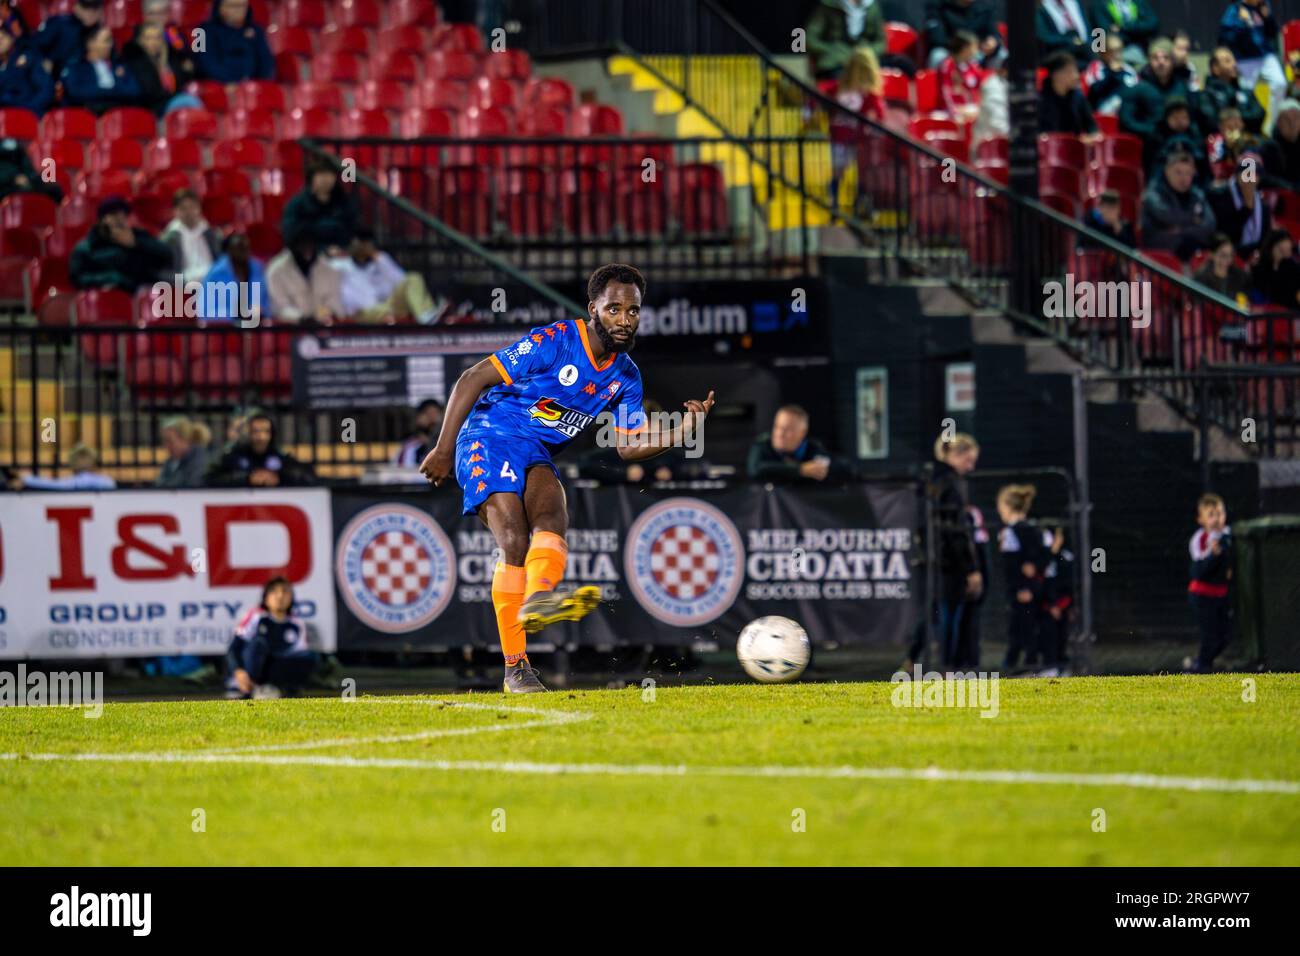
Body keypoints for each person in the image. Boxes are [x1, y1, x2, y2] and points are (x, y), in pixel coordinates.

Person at [417, 263, 716, 693]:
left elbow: (628, 446)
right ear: (593, 307)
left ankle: (538, 597)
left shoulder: (626, 376)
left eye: (633, 311)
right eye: (614, 309)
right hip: (488, 434)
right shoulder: (555, 341)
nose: (624, 319)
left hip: (535, 452)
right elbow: (473, 377)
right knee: (515, 541)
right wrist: (443, 449)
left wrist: (683, 432)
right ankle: (516, 668)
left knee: (553, 516)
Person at [913, 433, 984, 671]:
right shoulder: (950, 482)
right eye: (968, 460)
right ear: (955, 454)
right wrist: (971, 569)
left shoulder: (927, 480)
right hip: (949, 563)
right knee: (949, 615)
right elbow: (957, 531)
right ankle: (946, 666)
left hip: (929, 558)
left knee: (932, 613)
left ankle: (914, 660)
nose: (971, 467)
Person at [226, 577, 316, 699]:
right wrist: (238, 671)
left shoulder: (297, 624)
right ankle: (248, 688)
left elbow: (298, 656)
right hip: (250, 670)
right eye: (274, 591)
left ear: (291, 597)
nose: (280, 596)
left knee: (310, 657)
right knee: (259, 644)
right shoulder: (256, 617)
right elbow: (235, 648)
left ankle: (279, 689)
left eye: (285, 591)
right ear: (266, 598)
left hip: (275, 670)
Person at [335, 228, 445, 324]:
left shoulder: (381, 259)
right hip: (361, 311)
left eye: (367, 242)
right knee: (372, 312)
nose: (363, 246)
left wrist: (378, 258)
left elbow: (401, 281)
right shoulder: (340, 264)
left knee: (413, 277)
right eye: (360, 242)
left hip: (387, 306)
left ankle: (426, 316)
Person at [996, 483, 1050, 673]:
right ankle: (1020, 664)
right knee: (1025, 627)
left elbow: (1012, 565)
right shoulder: (1037, 530)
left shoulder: (1010, 532)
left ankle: (1022, 665)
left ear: (1007, 506)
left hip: (1022, 589)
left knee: (1021, 628)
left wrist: (1022, 587)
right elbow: (1044, 556)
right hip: (1036, 587)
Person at [70, 195, 174, 292]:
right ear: (102, 220)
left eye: (124, 215)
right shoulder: (88, 246)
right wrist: (111, 278)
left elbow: (166, 254)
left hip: (145, 292)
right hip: (111, 295)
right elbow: (78, 278)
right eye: (114, 215)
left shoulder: (138, 236)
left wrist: (135, 244)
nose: (120, 220)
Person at [828, 46, 885, 217]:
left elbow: (818, 102)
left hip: (842, 137)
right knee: (860, 173)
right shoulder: (866, 92)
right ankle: (853, 206)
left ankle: (837, 205)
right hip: (855, 138)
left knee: (841, 172)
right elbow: (880, 115)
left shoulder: (839, 87)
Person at [1184, 493, 1233, 673]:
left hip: (1221, 595)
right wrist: (1213, 554)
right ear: (1201, 519)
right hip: (1202, 596)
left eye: (1220, 513)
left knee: (1225, 636)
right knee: (1210, 636)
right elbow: (1198, 572)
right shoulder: (1199, 540)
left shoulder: (1228, 535)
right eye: (1211, 514)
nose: (1217, 518)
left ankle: (1201, 663)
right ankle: (1200, 667)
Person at [806, 0, 913, 81]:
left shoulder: (871, 7)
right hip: (838, 61)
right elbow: (810, 38)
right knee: (842, 76)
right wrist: (831, 51)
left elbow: (881, 41)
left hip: (867, 58)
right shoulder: (829, 6)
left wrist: (868, 53)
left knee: (903, 64)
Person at [1140, 149, 1218, 260]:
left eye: (1188, 173)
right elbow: (1168, 216)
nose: (1183, 178)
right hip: (1158, 257)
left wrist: (1180, 230)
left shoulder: (1197, 195)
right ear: (1167, 171)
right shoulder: (1153, 193)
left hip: (1190, 251)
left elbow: (1209, 226)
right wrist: (1194, 222)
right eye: (1178, 172)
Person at [1217, 0, 1286, 118]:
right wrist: (1242, 23)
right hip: (1245, 59)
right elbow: (1224, 37)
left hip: (1265, 56)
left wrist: (1268, 18)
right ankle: (1248, 125)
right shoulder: (1235, 9)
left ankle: (1272, 124)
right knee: (1246, 94)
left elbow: (1272, 33)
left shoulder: (1263, 6)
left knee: (1280, 83)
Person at [206, 412, 315, 487]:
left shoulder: (280, 457)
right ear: (249, 434)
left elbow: (308, 478)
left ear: (272, 434)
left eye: (265, 431)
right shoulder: (235, 456)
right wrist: (247, 479)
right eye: (256, 431)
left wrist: (279, 478)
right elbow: (211, 480)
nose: (261, 436)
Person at [746, 405, 846, 483]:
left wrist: (823, 469)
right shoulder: (762, 445)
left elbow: (842, 468)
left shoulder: (812, 448)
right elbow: (755, 470)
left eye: (788, 429)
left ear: (802, 433)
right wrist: (800, 470)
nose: (780, 434)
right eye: (777, 427)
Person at [120, 21, 201, 116]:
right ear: (140, 40)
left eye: (157, 38)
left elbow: (183, 79)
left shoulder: (170, 58)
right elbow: (150, 92)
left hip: (173, 102)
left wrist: (167, 63)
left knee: (189, 103)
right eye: (148, 38)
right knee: (189, 101)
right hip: (154, 108)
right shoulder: (136, 61)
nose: (154, 42)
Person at [59, 25, 144, 115]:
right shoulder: (76, 67)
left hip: (117, 114)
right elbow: (76, 92)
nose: (110, 45)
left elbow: (134, 90)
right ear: (90, 43)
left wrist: (102, 93)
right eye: (106, 41)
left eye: (111, 41)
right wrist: (114, 93)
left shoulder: (118, 66)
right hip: (87, 115)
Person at [281, 158, 359, 252]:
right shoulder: (297, 204)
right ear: (312, 178)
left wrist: (342, 249)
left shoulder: (344, 202)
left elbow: (352, 230)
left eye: (330, 174)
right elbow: (291, 235)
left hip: (342, 255)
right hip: (309, 255)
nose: (326, 179)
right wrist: (323, 249)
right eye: (321, 175)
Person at [266, 227, 342, 322]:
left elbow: (334, 302)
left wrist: (322, 314)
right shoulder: (276, 270)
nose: (307, 249)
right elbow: (280, 308)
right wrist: (303, 319)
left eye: (311, 245)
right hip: (291, 329)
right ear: (293, 247)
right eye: (303, 245)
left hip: (323, 327)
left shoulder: (329, 269)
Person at [1207, 150, 1271, 258]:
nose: (1250, 178)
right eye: (1246, 173)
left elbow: (1265, 238)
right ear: (1237, 174)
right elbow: (1223, 234)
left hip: (1255, 257)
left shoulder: (1263, 204)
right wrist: (1246, 208)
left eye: (1254, 174)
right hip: (1228, 256)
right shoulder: (1220, 195)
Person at [199, 232, 271, 323]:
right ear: (229, 251)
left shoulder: (257, 268)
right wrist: (235, 314)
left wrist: (262, 311)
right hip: (225, 330)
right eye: (240, 248)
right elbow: (204, 312)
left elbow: (267, 304)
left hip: (256, 327)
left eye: (246, 248)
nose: (244, 252)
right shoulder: (215, 274)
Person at [195, 0, 273, 83]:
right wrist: (228, 82)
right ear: (220, 7)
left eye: (242, 6)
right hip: (217, 84)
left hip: (250, 85)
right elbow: (204, 64)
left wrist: (258, 84)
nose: (239, 10)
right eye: (233, 6)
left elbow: (266, 62)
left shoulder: (256, 30)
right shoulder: (201, 31)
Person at [1199, 46, 1267, 135]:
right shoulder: (1207, 95)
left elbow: (1259, 114)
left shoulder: (1246, 92)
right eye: (1228, 61)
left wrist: (1237, 117)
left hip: (1249, 140)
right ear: (1215, 68)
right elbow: (1210, 120)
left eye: (1234, 60)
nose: (1234, 64)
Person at [160, 188, 220, 284]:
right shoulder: (169, 238)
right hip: (186, 287)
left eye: (192, 207)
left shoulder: (211, 233)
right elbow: (163, 273)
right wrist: (183, 280)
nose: (189, 212)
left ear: (199, 208)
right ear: (175, 211)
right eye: (183, 208)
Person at [923, 0, 1001, 70]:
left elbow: (994, 33)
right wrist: (961, 49)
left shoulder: (985, 6)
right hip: (951, 51)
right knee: (937, 55)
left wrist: (993, 41)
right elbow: (937, 38)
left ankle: (995, 84)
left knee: (1001, 54)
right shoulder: (939, 5)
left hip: (977, 51)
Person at [30, 0, 101, 76]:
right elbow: (34, 45)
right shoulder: (60, 23)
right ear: (77, 7)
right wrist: (44, 60)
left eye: (95, 8)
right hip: (53, 76)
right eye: (86, 6)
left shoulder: (98, 31)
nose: (91, 12)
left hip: (82, 78)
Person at [1039, 50, 1098, 136]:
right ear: (1056, 74)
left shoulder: (1078, 97)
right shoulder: (1040, 100)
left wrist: (1092, 137)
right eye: (1070, 72)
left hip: (1074, 147)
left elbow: (1092, 128)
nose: (1077, 76)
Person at [1088, 0, 1158, 68]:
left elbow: (1153, 25)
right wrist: (1137, 32)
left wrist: (1123, 27)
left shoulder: (1138, 1)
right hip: (1116, 55)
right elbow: (1106, 34)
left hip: (1142, 50)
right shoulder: (1099, 3)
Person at [0, 26, 53, 114]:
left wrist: (28, 110)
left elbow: (46, 89)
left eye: (2, 37)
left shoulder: (28, 57)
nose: (0, 42)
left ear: (12, 38)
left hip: (28, 113)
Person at [15, 442, 115, 489]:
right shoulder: (107, 482)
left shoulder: (73, 482)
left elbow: (52, 485)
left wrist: (27, 479)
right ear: (94, 464)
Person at [1083, 33, 1139, 116]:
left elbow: (1136, 94)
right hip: (1101, 111)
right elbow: (1093, 92)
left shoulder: (1129, 70)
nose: (1117, 55)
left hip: (1125, 113)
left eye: (1119, 50)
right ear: (1104, 52)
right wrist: (1112, 73)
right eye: (1112, 51)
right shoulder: (1096, 67)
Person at [0, 134, 62, 203]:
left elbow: (29, 170)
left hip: (25, 181)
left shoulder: (18, 149)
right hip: (7, 185)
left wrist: (28, 178)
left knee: (54, 190)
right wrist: (14, 178)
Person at [1249, 227, 1300, 308]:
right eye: (1289, 242)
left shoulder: (1292, 267)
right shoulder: (1260, 266)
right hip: (1263, 311)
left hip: (1289, 313)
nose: (1291, 245)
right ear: (1278, 244)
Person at [155, 416, 211, 488]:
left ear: (185, 440)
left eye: (169, 441)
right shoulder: (170, 462)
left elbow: (190, 488)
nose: (166, 446)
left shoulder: (200, 462)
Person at [938, 31, 983, 122]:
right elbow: (946, 93)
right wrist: (955, 111)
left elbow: (979, 89)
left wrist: (978, 107)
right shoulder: (947, 66)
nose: (977, 51)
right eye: (974, 47)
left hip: (970, 108)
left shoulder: (973, 66)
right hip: (949, 110)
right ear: (965, 48)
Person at [1195, 233, 1252, 301]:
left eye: (1231, 255)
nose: (1229, 260)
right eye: (1223, 255)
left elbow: (1243, 304)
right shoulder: (1201, 278)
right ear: (1211, 255)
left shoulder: (1240, 276)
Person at [971, 48, 1008, 148]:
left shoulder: (1009, 85)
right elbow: (997, 125)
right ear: (1005, 71)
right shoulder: (993, 88)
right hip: (988, 149)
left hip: (1005, 144)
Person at [1259, 98, 1300, 190]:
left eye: (1296, 118)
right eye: (1287, 119)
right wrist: (1291, 187)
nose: (1292, 124)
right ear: (1278, 122)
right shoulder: (1268, 147)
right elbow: (1263, 177)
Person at [1036, 0, 1092, 65]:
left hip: (1089, 55)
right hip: (1063, 59)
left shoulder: (1078, 2)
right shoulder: (1040, 8)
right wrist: (1071, 41)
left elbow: (1089, 29)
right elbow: (1045, 38)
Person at [394, 399, 444, 468]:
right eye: (428, 414)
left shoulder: (447, 446)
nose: (432, 418)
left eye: (436, 413)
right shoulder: (408, 447)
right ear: (418, 418)